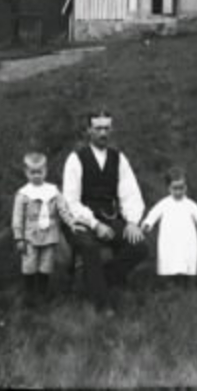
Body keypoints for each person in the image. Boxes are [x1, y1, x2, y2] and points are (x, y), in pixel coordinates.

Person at [61, 110, 149, 311]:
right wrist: (95, 224)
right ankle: (102, 305)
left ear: (112, 129)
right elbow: (70, 202)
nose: (103, 133)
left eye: (107, 128)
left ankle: (96, 281)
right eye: (98, 128)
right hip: (80, 220)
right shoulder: (76, 159)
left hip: (110, 217)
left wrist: (133, 222)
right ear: (88, 130)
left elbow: (131, 193)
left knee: (139, 247)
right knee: (89, 247)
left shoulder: (119, 158)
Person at [11, 151, 73, 302]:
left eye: (40, 172)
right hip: (30, 236)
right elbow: (17, 217)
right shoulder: (23, 194)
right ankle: (29, 294)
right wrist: (19, 237)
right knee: (29, 263)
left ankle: (42, 294)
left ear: (46, 171)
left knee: (46, 264)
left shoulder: (53, 191)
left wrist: (71, 222)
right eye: (33, 172)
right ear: (26, 173)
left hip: (49, 234)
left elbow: (63, 209)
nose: (37, 176)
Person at [141, 167, 197, 287]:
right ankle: (170, 285)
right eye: (175, 188)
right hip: (169, 239)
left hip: (187, 239)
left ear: (186, 187)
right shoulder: (164, 204)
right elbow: (152, 215)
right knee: (169, 259)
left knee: (188, 258)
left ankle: (190, 284)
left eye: (182, 188)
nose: (179, 192)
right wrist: (147, 224)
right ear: (168, 188)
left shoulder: (190, 204)